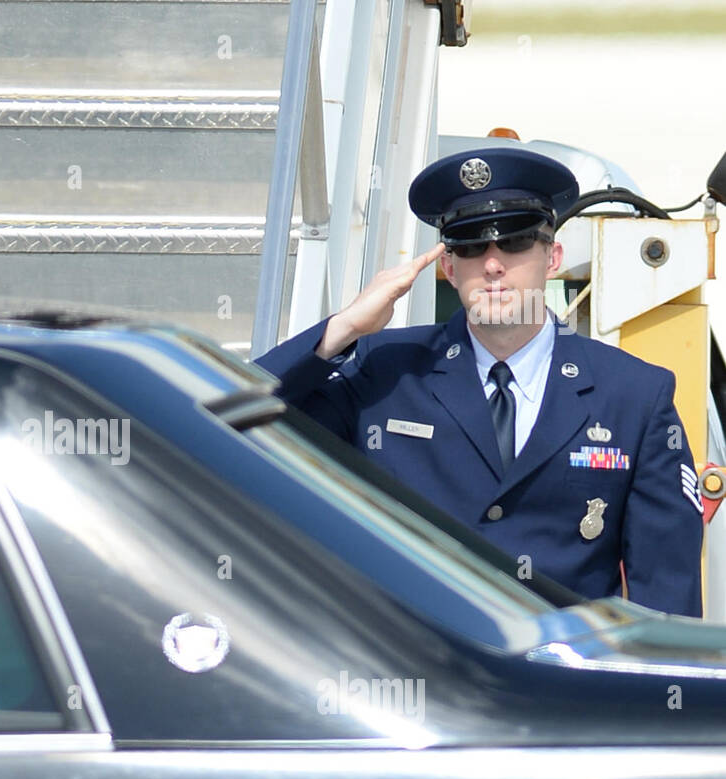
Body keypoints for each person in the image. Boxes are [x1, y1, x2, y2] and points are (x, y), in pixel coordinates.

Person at [254, 146, 703, 616]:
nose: (492, 265)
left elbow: (667, 596)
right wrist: (341, 330)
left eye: (515, 242)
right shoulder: (385, 371)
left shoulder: (634, 395)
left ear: (553, 257)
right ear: (449, 268)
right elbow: (225, 416)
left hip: (558, 679)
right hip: (417, 673)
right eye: (470, 246)